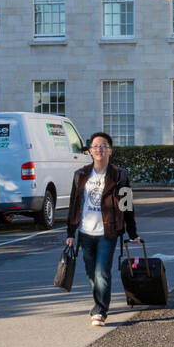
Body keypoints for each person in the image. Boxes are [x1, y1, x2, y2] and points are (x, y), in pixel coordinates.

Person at [65, 131, 139, 326]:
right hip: (85, 232)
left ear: (110, 151)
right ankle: (100, 302)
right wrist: (70, 233)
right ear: (90, 151)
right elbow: (74, 205)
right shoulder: (80, 174)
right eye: (96, 146)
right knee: (91, 273)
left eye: (103, 146)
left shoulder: (120, 175)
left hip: (108, 231)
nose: (99, 149)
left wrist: (132, 233)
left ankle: (100, 310)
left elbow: (127, 205)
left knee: (102, 272)